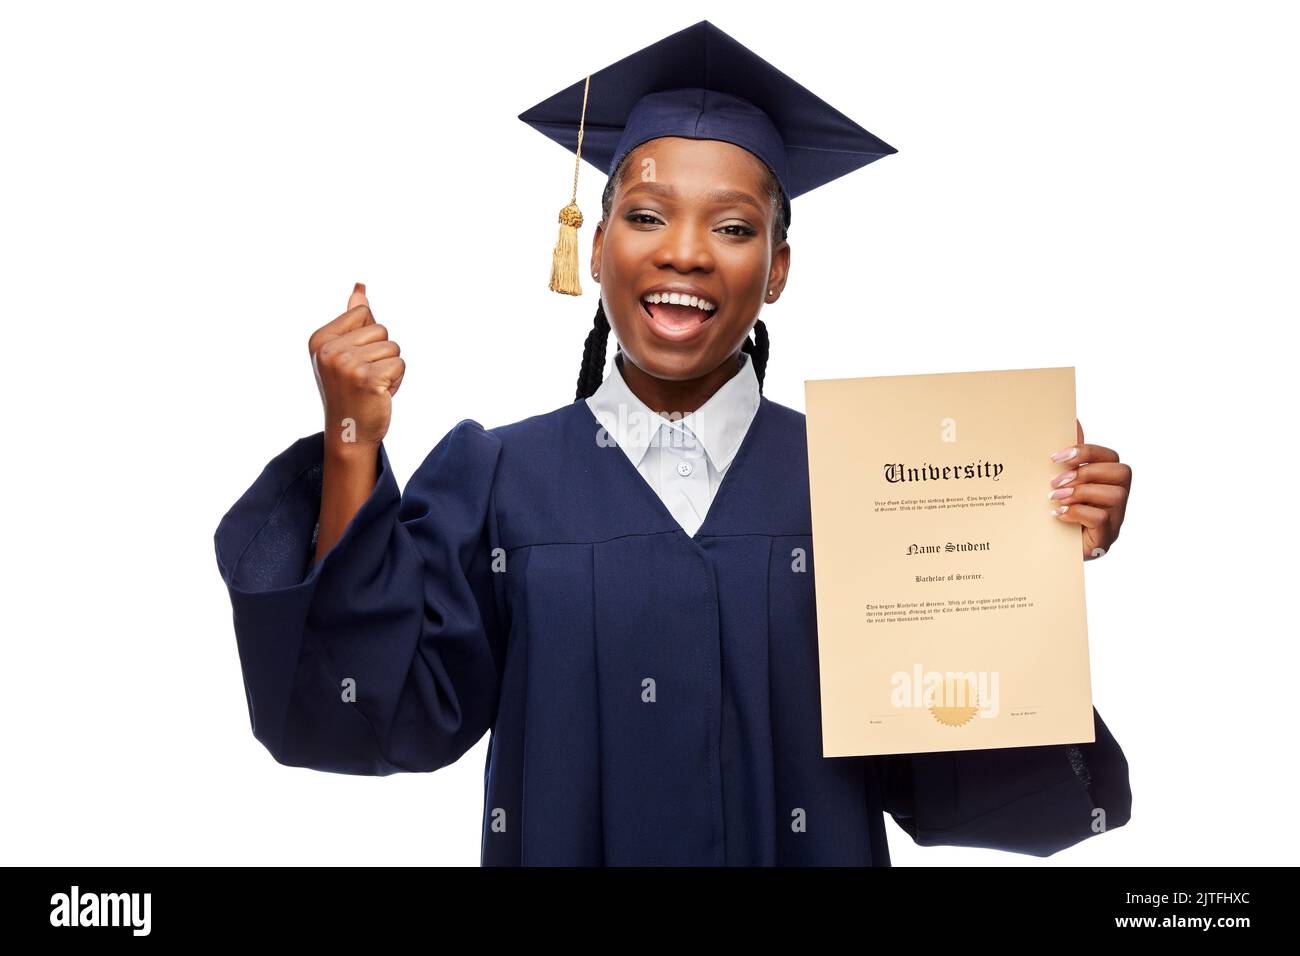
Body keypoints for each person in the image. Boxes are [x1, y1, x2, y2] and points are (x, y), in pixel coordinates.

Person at [213, 20, 1134, 866]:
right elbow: (366, 719)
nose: (685, 252)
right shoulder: (498, 479)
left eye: (733, 228)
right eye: (647, 215)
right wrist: (349, 448)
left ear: (775, 270)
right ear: (597, 238)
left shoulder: (865, 482)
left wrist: (1024, 568)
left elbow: (955, 784)